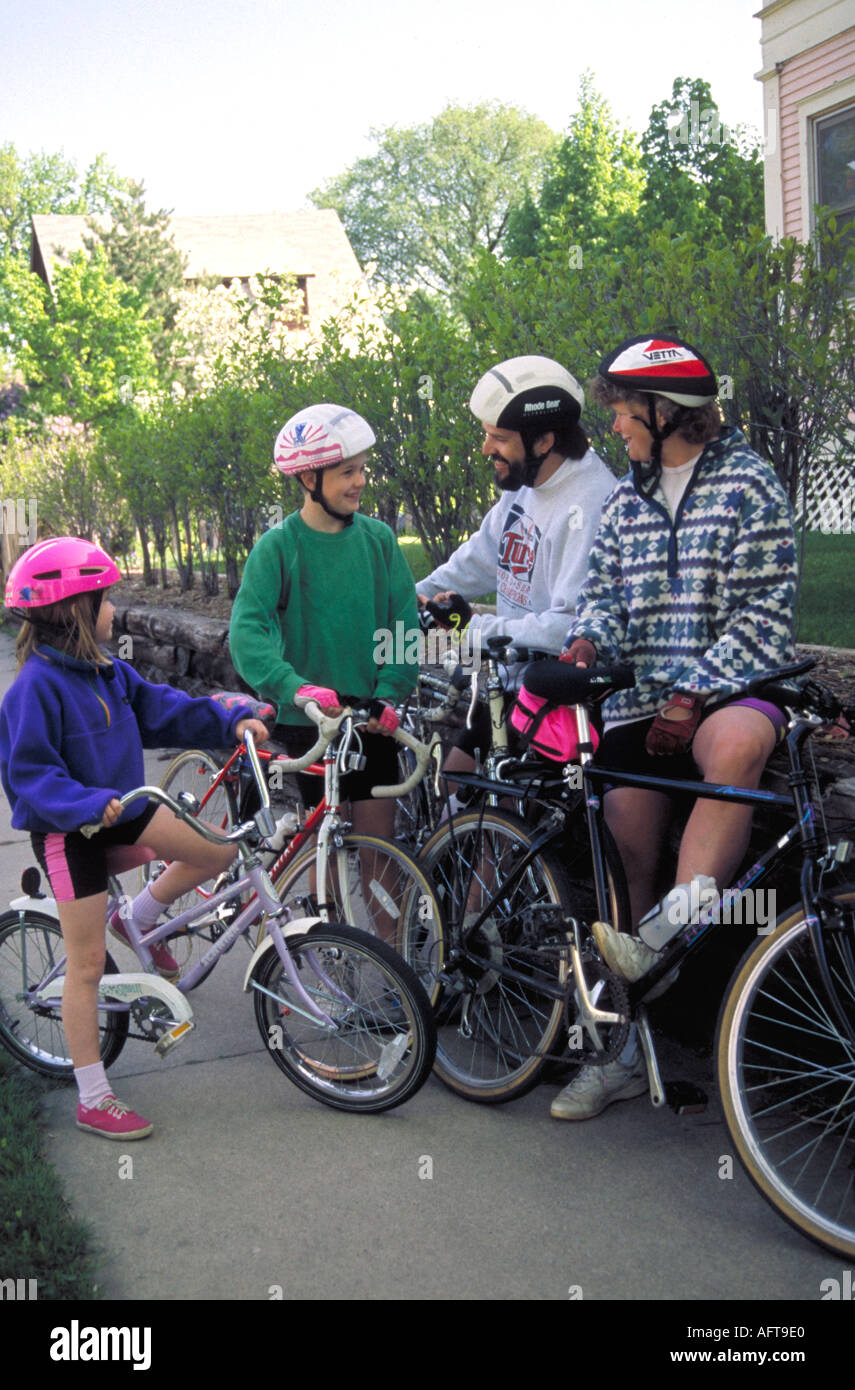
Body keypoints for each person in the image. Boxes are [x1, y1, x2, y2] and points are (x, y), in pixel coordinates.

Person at [550, 333, 798, 1121]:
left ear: (665, 411)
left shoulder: (749, 486)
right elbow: (606, 601)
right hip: (641, 701)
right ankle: (619, 1054)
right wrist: (591, 637)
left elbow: (764, 614)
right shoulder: (627, 500)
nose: (616, 428)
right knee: (626, 842)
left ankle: (664, 938)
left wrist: (694, 692)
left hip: (730, 691)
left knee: (735, 746)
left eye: (624, 413)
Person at [0, 537, 269, 1140]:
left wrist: (232, 713)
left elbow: (167, 709)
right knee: (88, 966)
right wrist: (89, 802)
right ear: (73, 610)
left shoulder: (108, 671)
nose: (114, 611)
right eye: (105, 601)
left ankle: (141, 916)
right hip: (73, 832)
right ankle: (93, 1096)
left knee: (220, 849)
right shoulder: (33, 691)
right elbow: (30, 780)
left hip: (125, 812)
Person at [229, 403, 419, 841]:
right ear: (309, 479)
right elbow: (247, 633)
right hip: (308, 723)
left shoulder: (380, 540)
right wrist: (295, 688)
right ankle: (323, 912)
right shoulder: (278, 546)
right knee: (323, 849)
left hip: (372, 717)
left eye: (362, 469)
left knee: (380, 848)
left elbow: (403, 626)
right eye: (347, 472)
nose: (361, 482)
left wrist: (390, 693)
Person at [416, 355, 615, 770]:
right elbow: (483, 557)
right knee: (455, 786)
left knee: (499, 811)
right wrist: (415, 596)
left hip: (560, 699)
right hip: (510, 683)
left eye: (500, 438)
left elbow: (569, 625)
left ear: (543, 441)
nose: (487, 448)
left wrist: (474, 629)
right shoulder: (526, 482)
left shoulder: (591, 503)